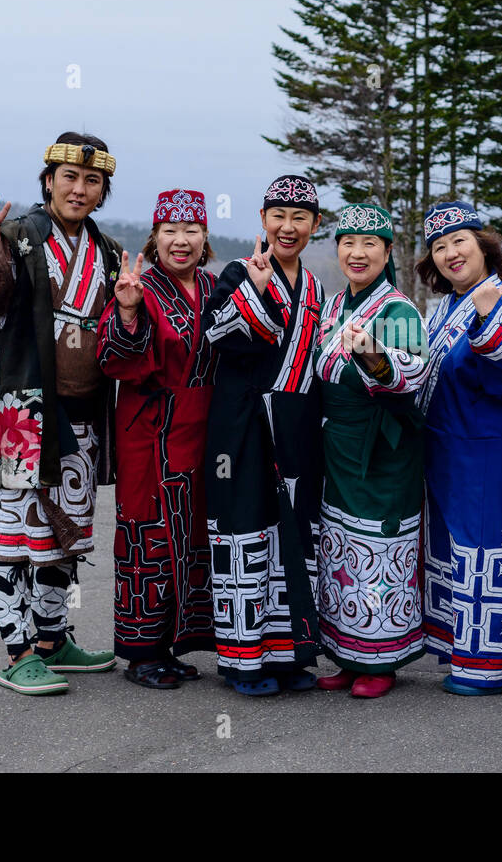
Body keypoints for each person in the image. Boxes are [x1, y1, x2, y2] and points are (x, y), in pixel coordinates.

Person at [0, 131, 122, 695]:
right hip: (26, 414)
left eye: (92, 181)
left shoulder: (109, 252)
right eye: (69, 177)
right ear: (48, 181)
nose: (79, 188)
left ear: (101, 191)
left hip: (86, 416)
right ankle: (18, 653)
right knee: (17, 537)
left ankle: (53, 639)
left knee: (65, 536)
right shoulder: (14, 238)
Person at [202, 174, 327, 696]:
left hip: (297, 427)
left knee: (290, 538)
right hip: (244, 424)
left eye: (300, 218)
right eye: (279, 216)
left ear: (316, 225)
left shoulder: (318, 288)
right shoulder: (238, 271)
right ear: (263, 220)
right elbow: (216, 336)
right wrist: (252, 291)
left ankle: (286, 654)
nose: (288, 227)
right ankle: (241, 660)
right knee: (245, 531)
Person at [414, 200, 502, 695]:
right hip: (449, 450)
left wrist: (490, 318)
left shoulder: (500, 297)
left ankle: (496, 664)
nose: (451, 253)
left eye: (459, 242)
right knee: (455, 547)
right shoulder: (444, 306)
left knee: (486, 547)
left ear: (483, 246)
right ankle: (462, 648)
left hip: (490, 450)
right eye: (440, 247)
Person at [97, 189, 218, 689]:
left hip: (202, 428)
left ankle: (172, 643)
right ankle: (141, 652)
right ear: (155, 236)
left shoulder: (216, 289)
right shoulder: (138, 287)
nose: (181, 241)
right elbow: (112, 359)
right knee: (147, 533)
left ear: (205, 237)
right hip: (150, 429)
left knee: (190, 536)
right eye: (170, 231)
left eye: (191, 231)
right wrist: (127, 313)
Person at [311, 204, 428, 699]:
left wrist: (375, 357)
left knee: (380, 548)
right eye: (347, 243)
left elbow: (412, 374)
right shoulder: (334, 305)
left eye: (370, 244)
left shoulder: (398, 309)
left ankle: (382, 659)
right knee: (340, 548)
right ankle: (346, 652)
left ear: (387, 252)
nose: (357, 253)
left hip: (382, 451)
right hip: (337, 445)